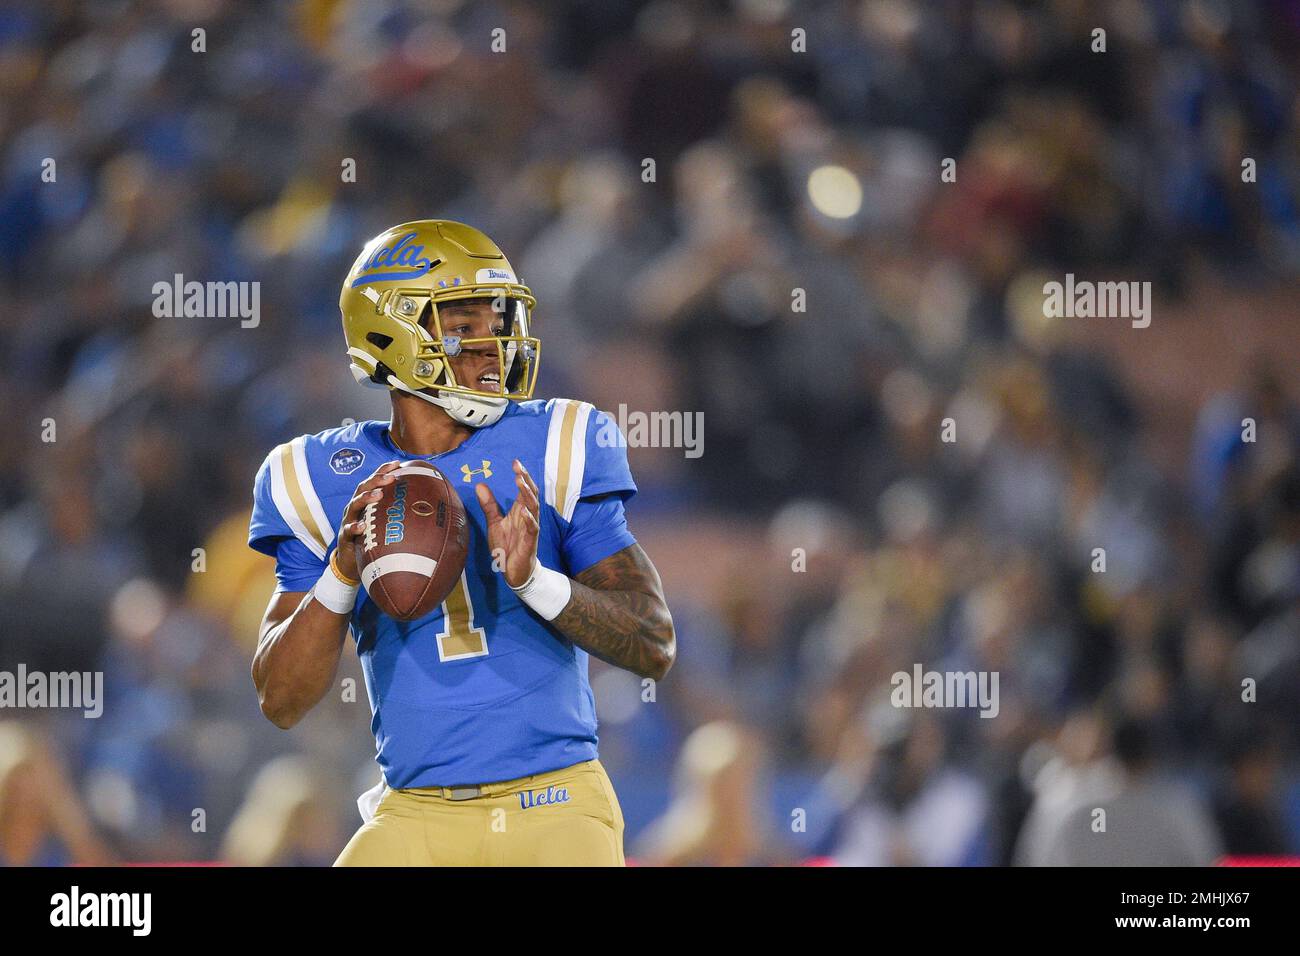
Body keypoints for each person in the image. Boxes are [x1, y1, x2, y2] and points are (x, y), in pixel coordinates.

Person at [247, 220, 675, 866]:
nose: (493, 346)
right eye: (464, 326)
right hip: (413, 810)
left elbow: (651, 643)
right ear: (390, 333)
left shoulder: (557, 440)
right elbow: (281, 700)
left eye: (497, 323)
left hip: (553, 801)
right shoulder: (314, 475)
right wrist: (342, 570)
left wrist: (537, 581)